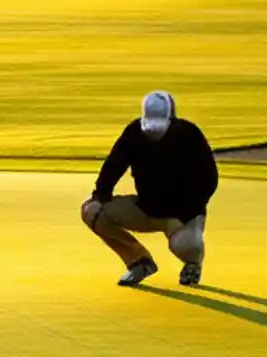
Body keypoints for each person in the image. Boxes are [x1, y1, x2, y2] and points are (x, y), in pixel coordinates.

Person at [80, 91, 218, 287]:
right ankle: (139, 262)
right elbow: (114, 164)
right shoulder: (135, 132)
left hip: (181, 216)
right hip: (145, 208)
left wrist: (189, 212)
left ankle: (193, 264)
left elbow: (208, 179)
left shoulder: (189, 135)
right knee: (92, 212)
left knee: (185, 246)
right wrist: (100, 196)